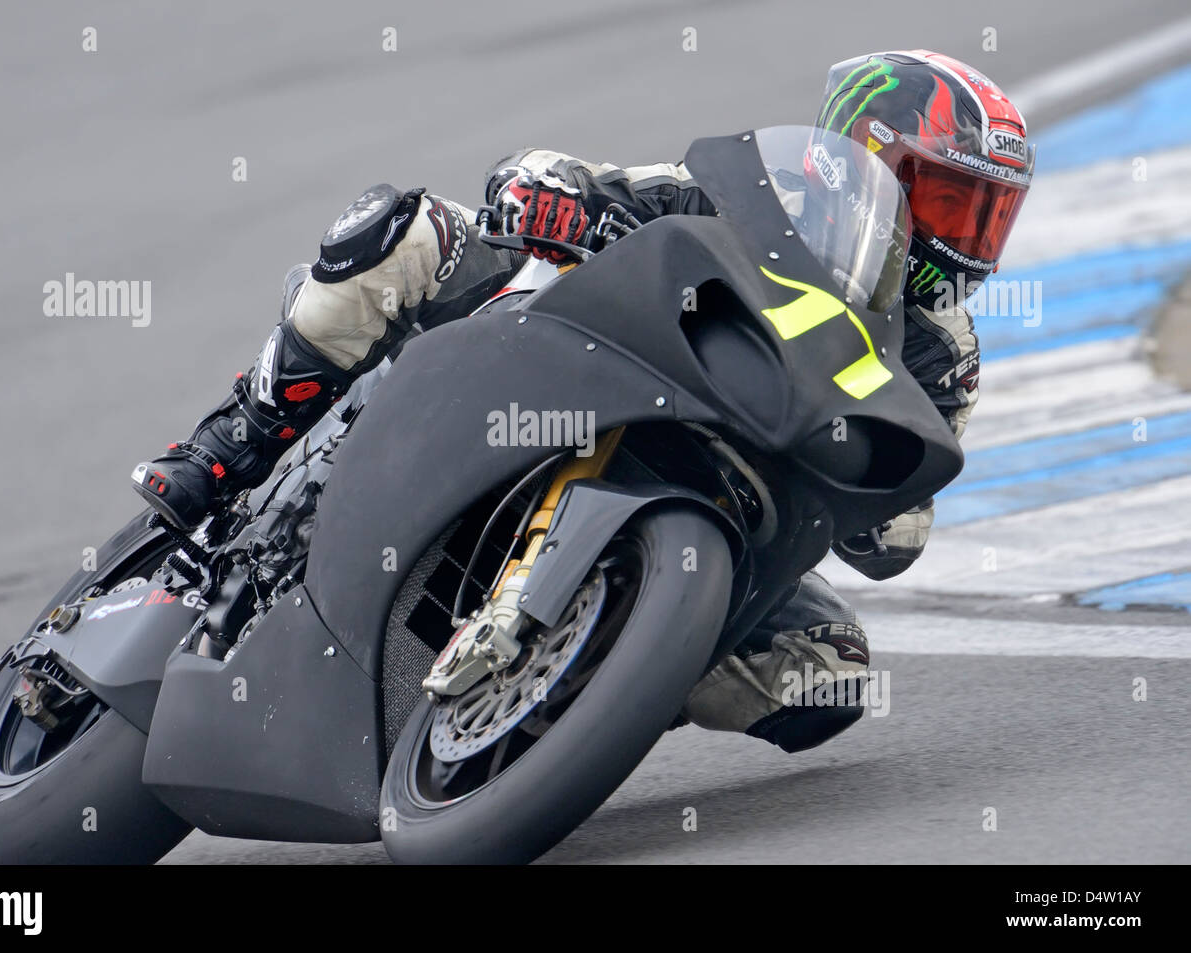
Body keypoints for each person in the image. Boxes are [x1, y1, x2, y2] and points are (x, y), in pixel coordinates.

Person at [131, 50, 1032, 753]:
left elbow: (908, 503)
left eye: (988, 215)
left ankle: (590, 676)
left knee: (831, 671)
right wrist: (561, 198)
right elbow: (554, 177)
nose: (966, 238)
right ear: (866, 157)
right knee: (405, 231)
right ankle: (227, 445)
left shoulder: (940, 355)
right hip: (558, 370)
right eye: (950, 199)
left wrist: (885, 505)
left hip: (722, 487)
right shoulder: (749, 192)